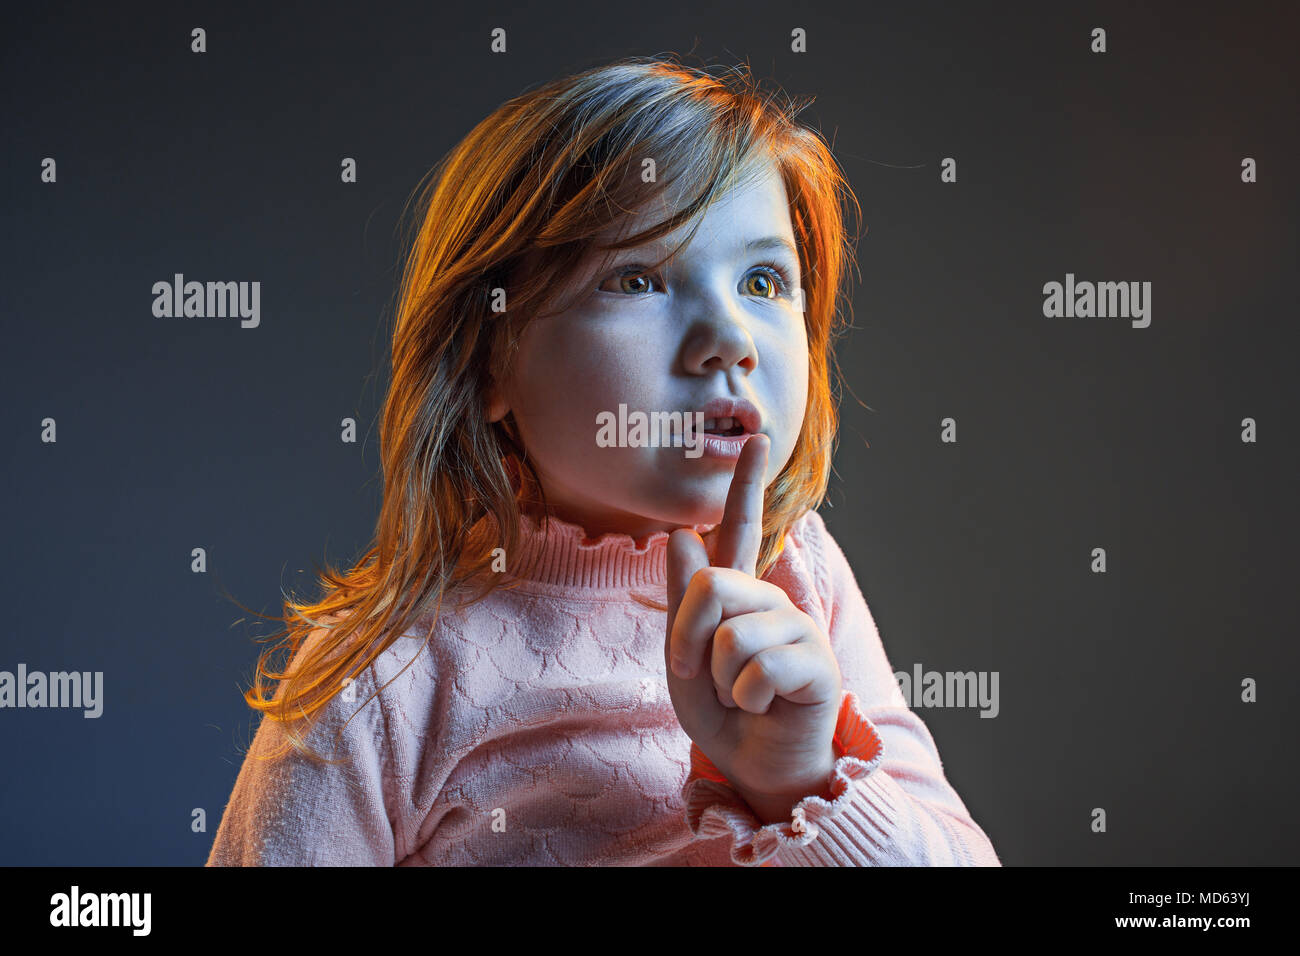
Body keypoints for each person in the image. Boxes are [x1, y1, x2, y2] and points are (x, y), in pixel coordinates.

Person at [206, 54, 1000, 866]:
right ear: (490, 362)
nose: (728, 337)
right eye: (637, 279)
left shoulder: (802, 578)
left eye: (763, 281)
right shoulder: (384, 674)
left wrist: (799, 779)